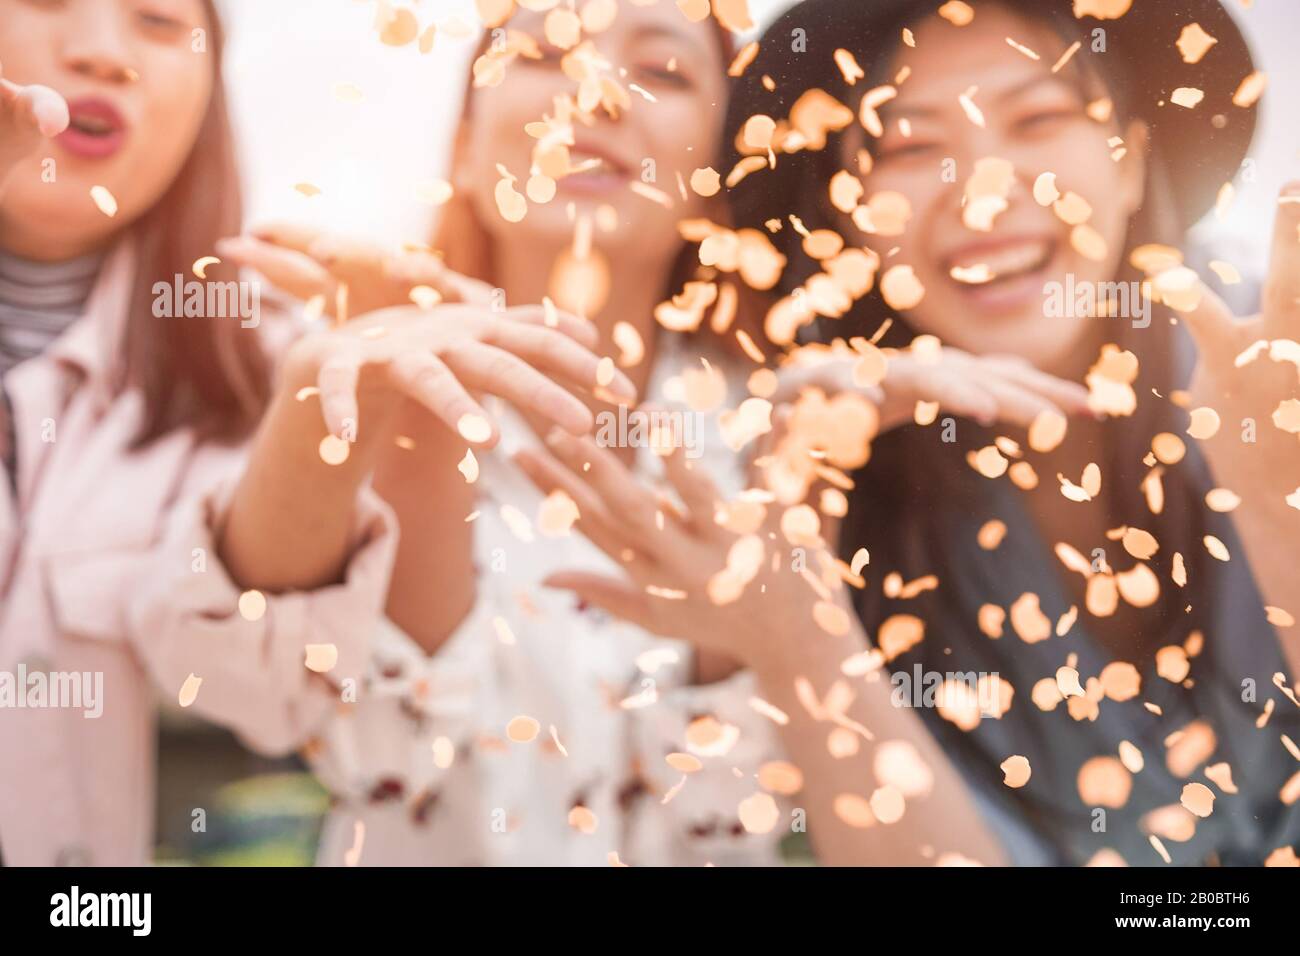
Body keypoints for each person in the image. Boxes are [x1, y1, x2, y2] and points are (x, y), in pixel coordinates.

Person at [226, 0, 1012, 866]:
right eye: (539, 55)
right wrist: (408, 416)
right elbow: (382, 761)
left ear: (720, 167)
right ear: (465, 148)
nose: (596, 93)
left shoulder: (780, 421)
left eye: (664, 72)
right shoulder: (351, 379)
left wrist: (800, 482)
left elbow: (728, 804)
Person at [0, 0, 612, 866]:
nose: (101, 52)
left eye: (159, 21)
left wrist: (321, 420)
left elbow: (260, 690)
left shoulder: (261, 360)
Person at [725, 0, 1300, 865]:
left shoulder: (1275, 367)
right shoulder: (824, 493)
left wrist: (1276, 501)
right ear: (849, 215)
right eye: (910, 147)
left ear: (1135, 162)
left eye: (1039, 117)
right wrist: (800, 591)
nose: (986, 192)